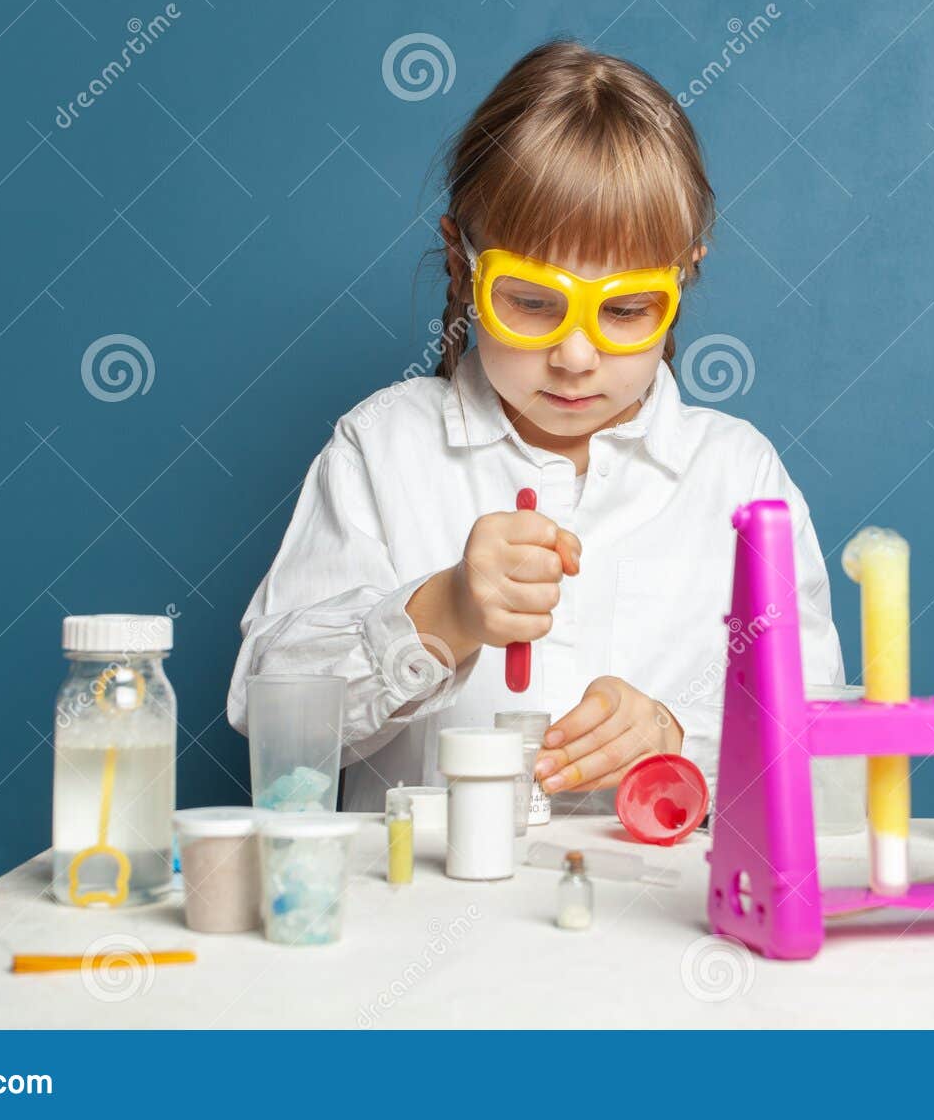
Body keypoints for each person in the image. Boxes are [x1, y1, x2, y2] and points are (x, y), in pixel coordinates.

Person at [228, 39, 844, 814]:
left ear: (682, 279)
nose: (575, 355)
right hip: (414, 920)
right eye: (531, 302)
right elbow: (267, 710)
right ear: (463, 267)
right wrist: (439, 615)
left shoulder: (739, 479)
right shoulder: (382, 450)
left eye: (624, 309)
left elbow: (821, 747)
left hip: (658, 927)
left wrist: (677, 738)